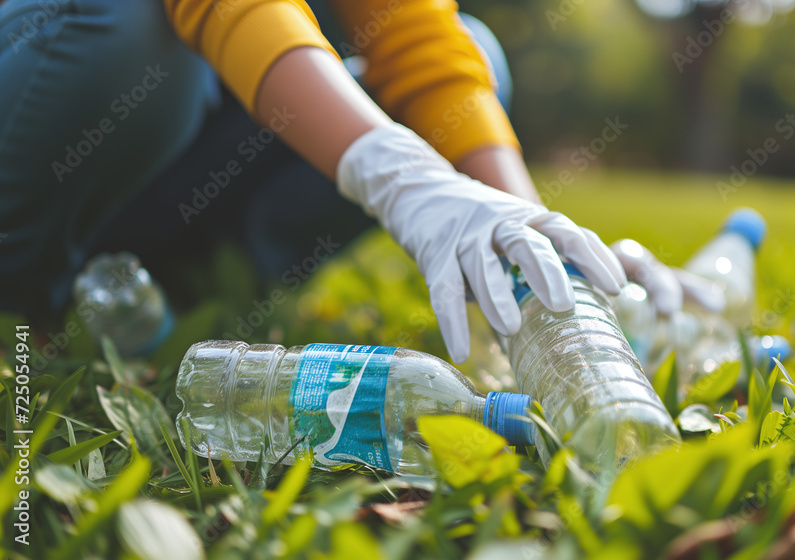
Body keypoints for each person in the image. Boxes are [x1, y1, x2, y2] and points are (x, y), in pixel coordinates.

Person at [0, 0, 702, 363]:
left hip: (150, 165)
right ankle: (23, 299)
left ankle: (170, 296)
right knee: (127, 25)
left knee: (474, 62)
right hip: (50, 98)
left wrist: (540, 241)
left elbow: (417, 42)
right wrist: (396, 176)